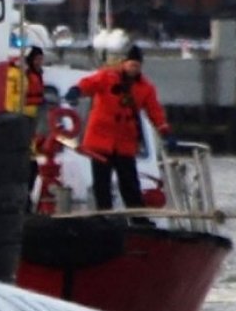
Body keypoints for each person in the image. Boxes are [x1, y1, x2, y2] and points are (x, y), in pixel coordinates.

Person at [70, 43, 170, 213]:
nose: (134, 69)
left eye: (137, 66)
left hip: (125, 141)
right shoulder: (106, 77)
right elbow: (89, 83)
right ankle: (104, 215)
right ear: (125, 63)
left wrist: (162, 127)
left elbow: (154, 109)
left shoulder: (146, 88)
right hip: (101, 140)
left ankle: (138, 217)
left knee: (130, 182)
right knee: (102, 182)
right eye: (131, 64)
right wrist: (77, 90)